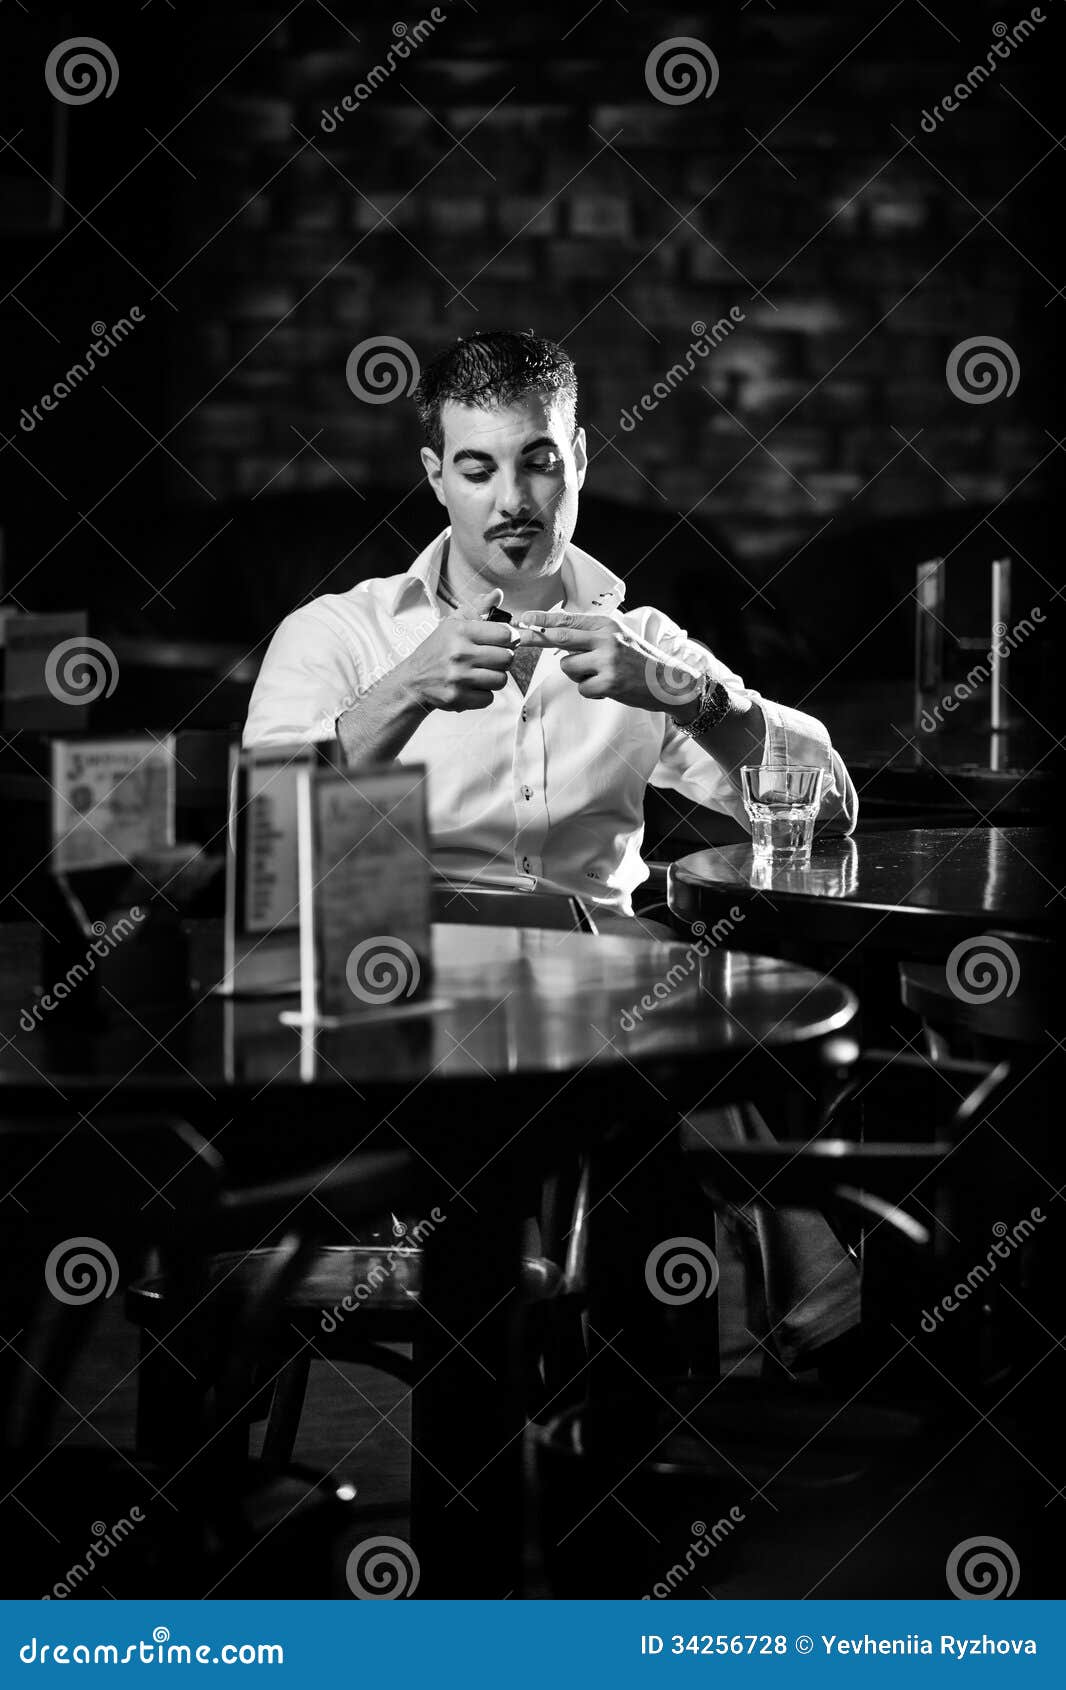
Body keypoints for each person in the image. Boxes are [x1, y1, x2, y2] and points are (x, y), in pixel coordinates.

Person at [243, 329, 861, 1381]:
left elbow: (830, 811)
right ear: (436, 476)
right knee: (664, 1013)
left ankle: (618, 1430)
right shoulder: (340, 634)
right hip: (411, 1011)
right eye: (478, 467)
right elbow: (267, 851)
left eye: (538, 460)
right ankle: (766, 1263)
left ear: (579, 460)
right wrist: (402, 693)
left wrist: (693, 694)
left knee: (664, 994)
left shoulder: (645, 641)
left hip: (607, 1017)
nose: (512, 498)